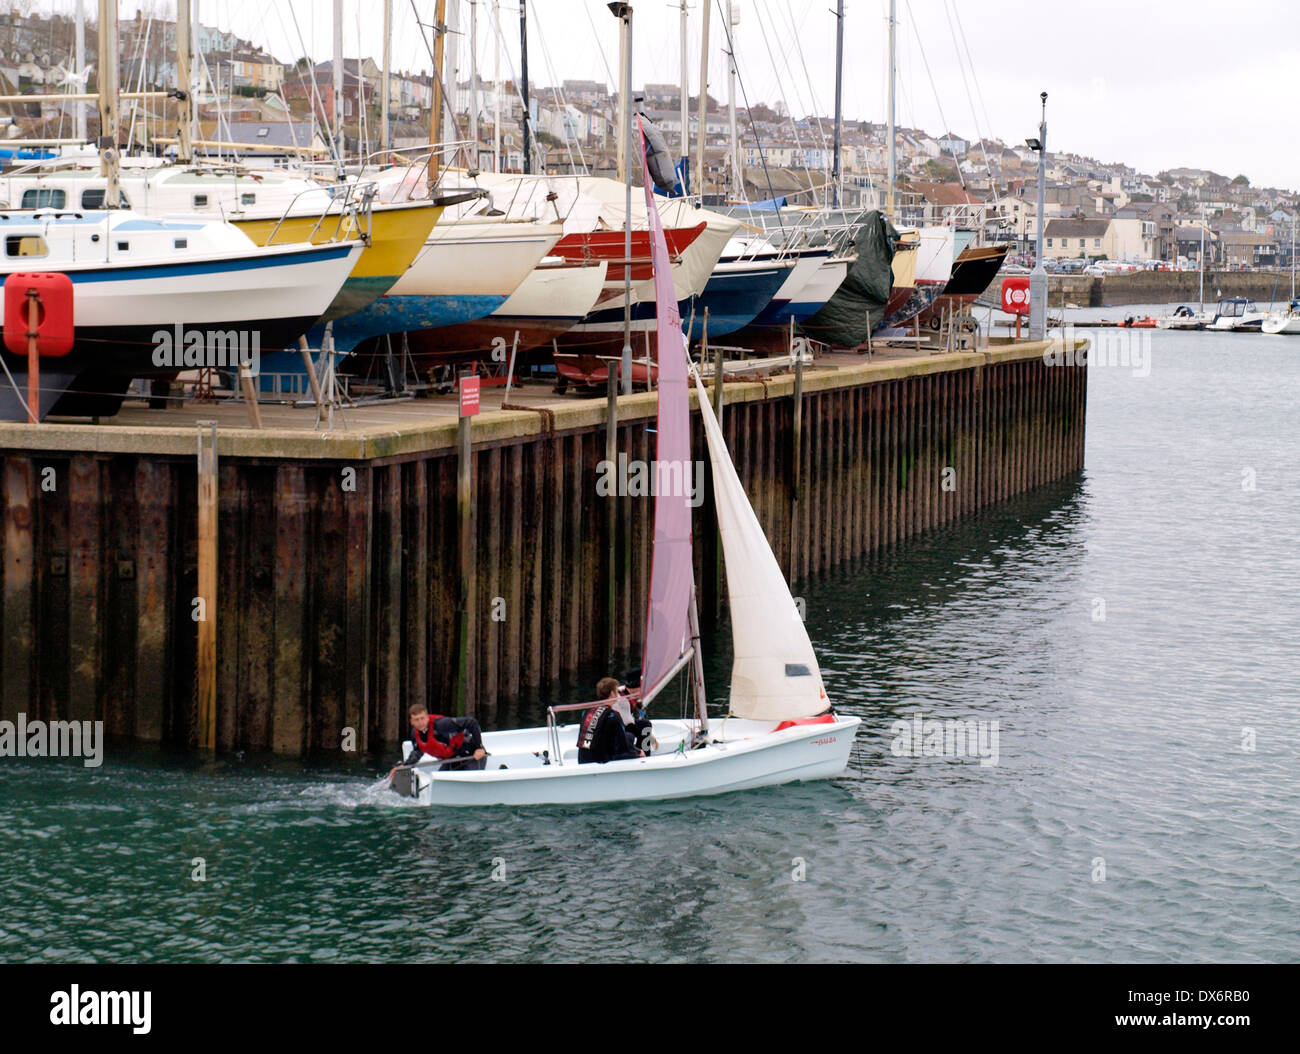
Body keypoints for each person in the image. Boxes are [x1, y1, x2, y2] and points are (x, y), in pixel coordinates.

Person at [389, 704, 486, 780]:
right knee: (437, 782)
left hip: (471, 755)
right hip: (452, 759)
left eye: (422, 718)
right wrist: (404, 766)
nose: (420, 722)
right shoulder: (415, 734)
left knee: (468, 779)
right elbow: (417, 752)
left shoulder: (442, 725)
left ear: (427, 717)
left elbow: (471, 722)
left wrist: (479, 748)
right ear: (411, 722)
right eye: (416, 720)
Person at [577, 677, 646, 764]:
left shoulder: (587, 711)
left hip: (583, 758)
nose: (618, 695)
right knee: (630, 737)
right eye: (617, 692)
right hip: (600, 760)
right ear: (612, 693)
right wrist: (638, 752)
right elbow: (623, 746)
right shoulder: (613, 716)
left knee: (628, 736)